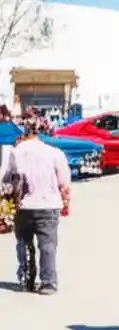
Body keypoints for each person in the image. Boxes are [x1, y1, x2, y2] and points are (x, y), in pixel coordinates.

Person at [1, 116, 71, 294]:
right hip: (48, 204)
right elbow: (64, 181)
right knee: (47, 245)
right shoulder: (55, 152)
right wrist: (65, 201)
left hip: (23, 204)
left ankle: (26, 280)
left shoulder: (16, 152)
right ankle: (48, 283)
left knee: (24, 243)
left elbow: (6, 177)